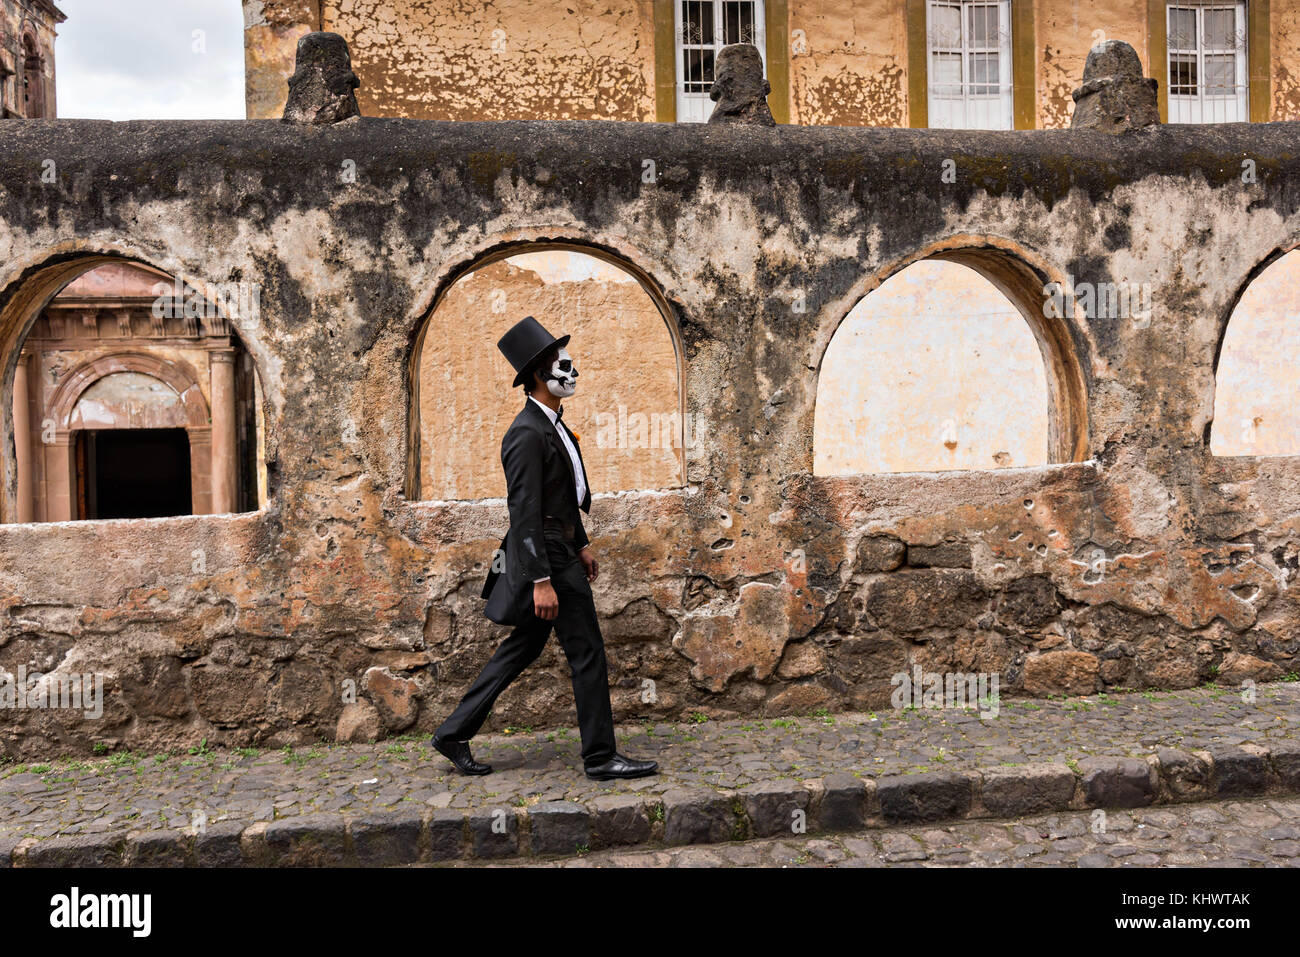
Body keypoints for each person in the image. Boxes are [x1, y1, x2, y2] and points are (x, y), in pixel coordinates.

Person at [431, 316, 659, 781]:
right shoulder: (527, 433)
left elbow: (561, 496)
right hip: (546, 559)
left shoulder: (551, 424)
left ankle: (453, 732)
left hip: (561, 548)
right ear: (540, 373)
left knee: (523, 648)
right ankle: (599, 757)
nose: (573, 373)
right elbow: (525, 510)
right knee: (588, 651)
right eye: (564, 364)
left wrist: (582, 545)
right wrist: (540, 579)